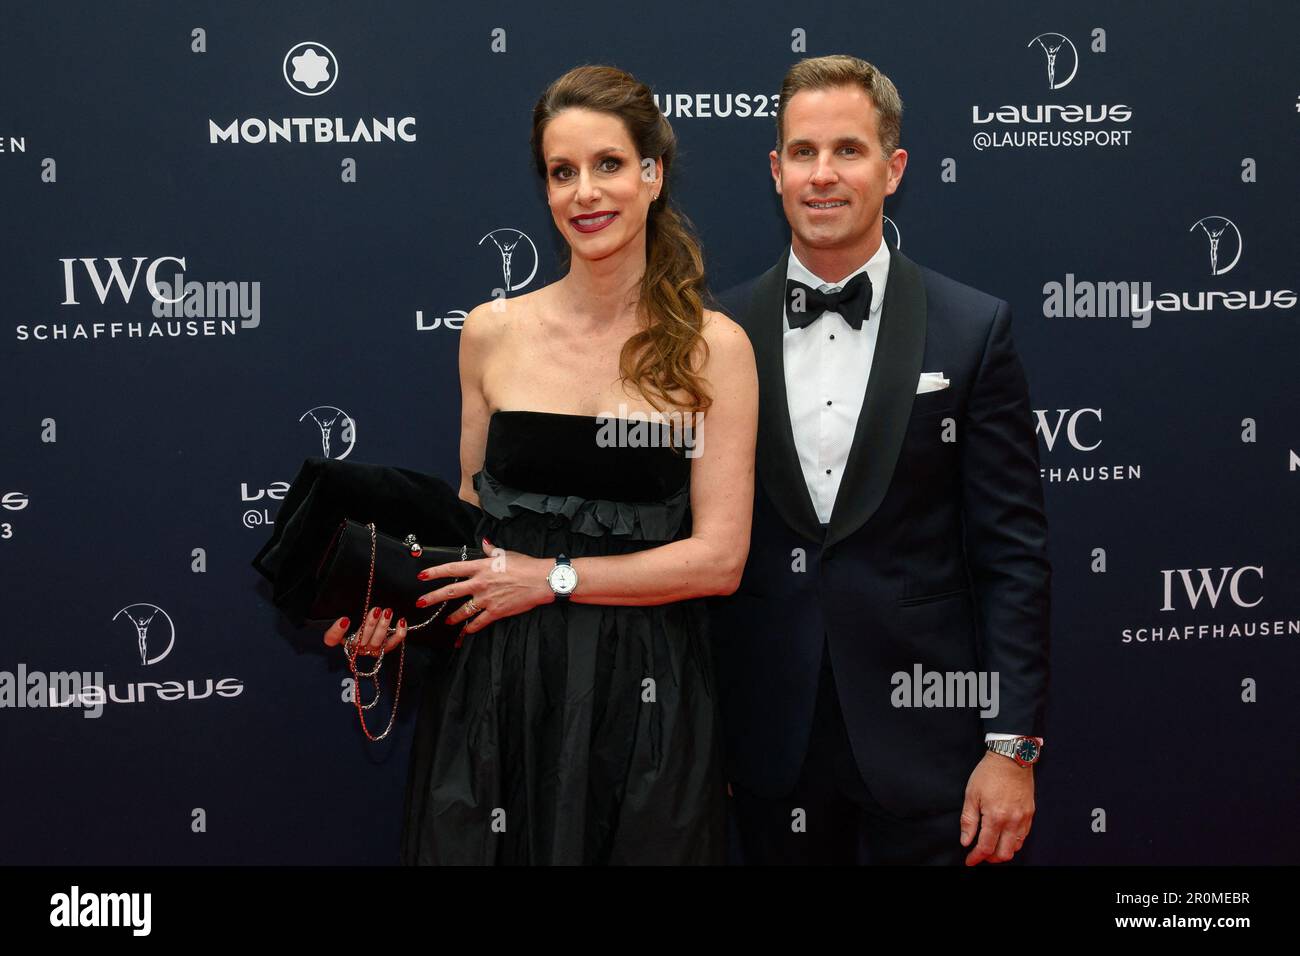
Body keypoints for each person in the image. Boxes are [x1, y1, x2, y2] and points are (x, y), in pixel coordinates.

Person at [323, 64, 757, 865]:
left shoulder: (713, 349)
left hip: (644, 695)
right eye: (563, 173)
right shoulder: (492, 331)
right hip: (495, 688)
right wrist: (397, 614)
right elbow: (466, 521)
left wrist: (551, 577)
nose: (585, 193)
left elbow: (720, 560)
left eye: (609, 165)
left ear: (653, 175)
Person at [711, 55, 1051, 865]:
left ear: (893, 169)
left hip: (932, 745)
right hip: (766, 745)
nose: (823, 175)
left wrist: (1012, 749)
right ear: (775, 169)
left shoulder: (974, 329)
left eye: (848, 151)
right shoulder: (715, 334)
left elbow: (1013, 557)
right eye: (802, 152)